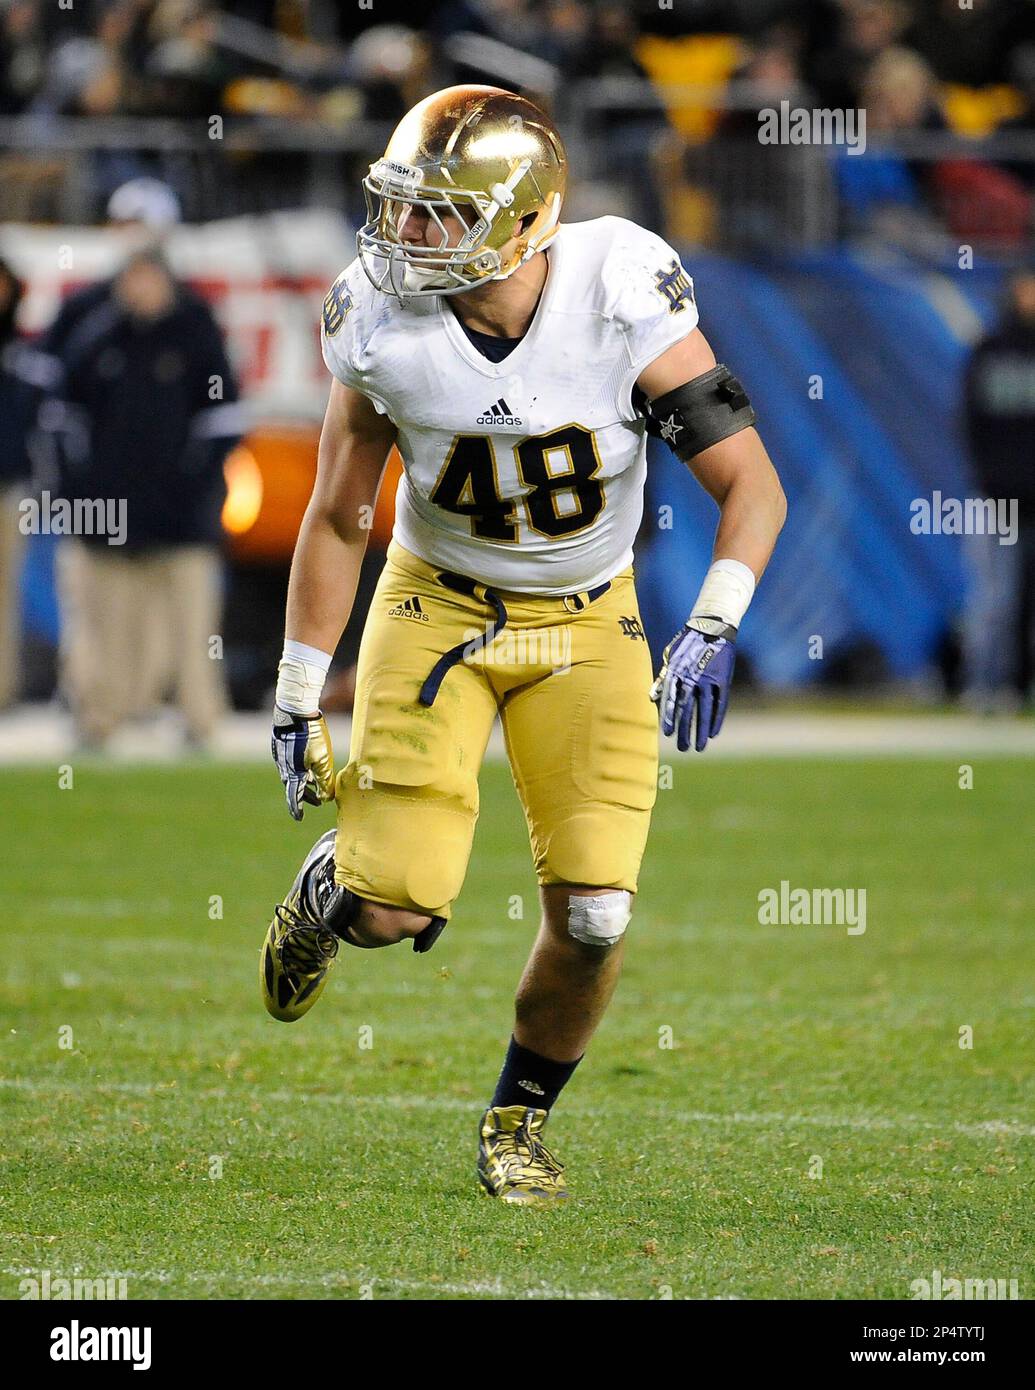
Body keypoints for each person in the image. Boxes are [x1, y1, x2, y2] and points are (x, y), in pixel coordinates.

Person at [262, 85, 786, 1204]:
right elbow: (341, 511)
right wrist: (299, 689)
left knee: (596, 913)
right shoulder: (375, 316)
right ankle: (331, 891)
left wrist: (714, 621)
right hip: (434, 606)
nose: (405, 235)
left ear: (523, 221)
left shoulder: (619, 291)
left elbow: (751, 483)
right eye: (400, 208)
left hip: (589, 614)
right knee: (394, 903)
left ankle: (519, 1117)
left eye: (438, 214)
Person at [39, 184, 244, 747]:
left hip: (181, 514)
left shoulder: (196, 322)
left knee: (191, 628)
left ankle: (200, 722)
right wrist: (75, 493)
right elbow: (57, 415)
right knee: (99, 626)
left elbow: (223, 417)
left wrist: (195, 487)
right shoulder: (87, 320)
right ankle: (97, 719)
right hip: (104, 513)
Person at [962, 267, 1035, 709]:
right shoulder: (989, 351)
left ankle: (1018, 685)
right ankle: (985, 688)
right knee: (995, 598)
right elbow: (971, 424)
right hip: (998, 499)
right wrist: (989, 481)